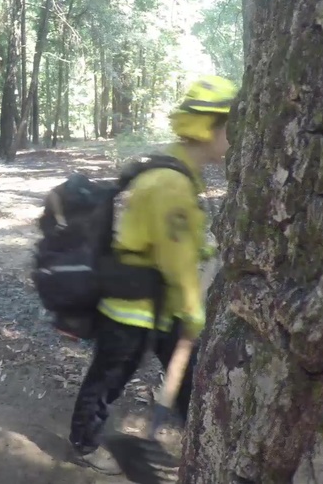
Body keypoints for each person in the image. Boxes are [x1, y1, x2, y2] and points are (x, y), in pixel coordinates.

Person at [69, 75, 238, 474]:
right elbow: (175, 260)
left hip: (160, 303)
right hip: (133, 308)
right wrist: (194, 312)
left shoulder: (177, 169)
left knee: (188, 376)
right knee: (109, 377)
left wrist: (203, 250)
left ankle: (201, 445)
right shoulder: (172, 184)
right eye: (230, 127)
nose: (234, 137)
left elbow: (172, 239)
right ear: (210, 128)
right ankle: (85, 443)